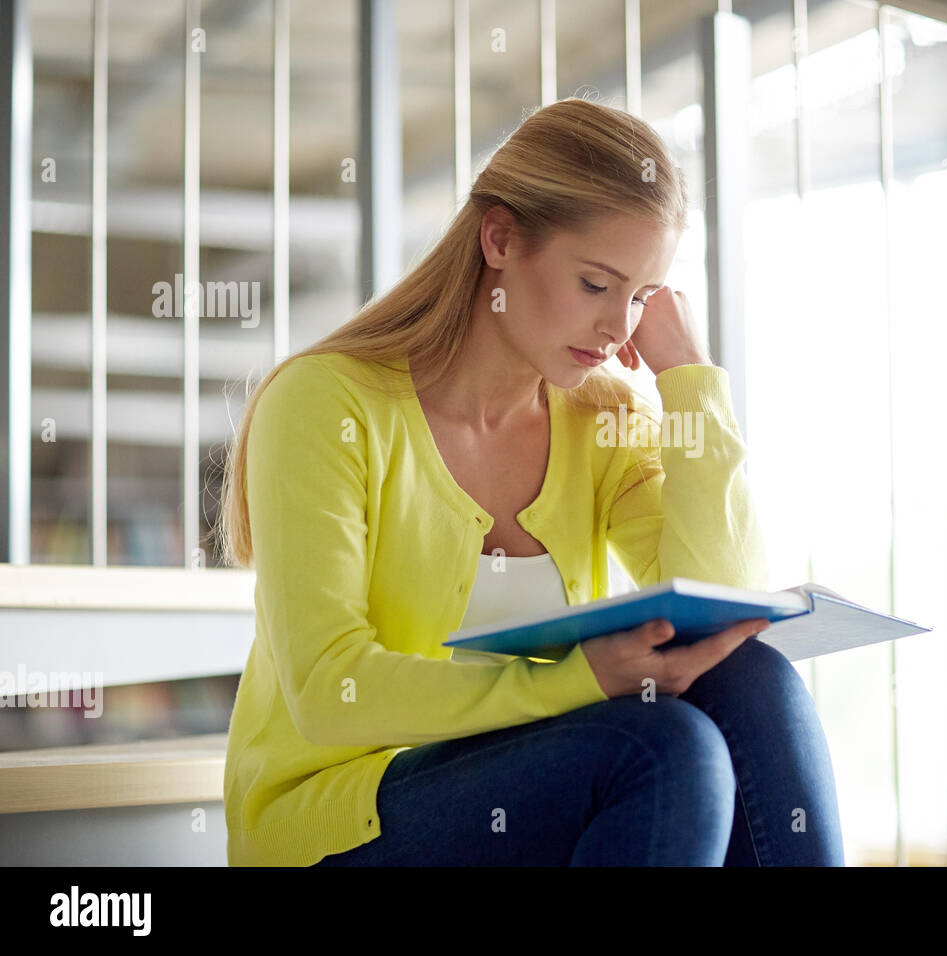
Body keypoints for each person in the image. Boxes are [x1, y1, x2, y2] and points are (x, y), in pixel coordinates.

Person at [217, 97, 844, 866]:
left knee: (752, 677)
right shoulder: (325, 402)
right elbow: (327, 690)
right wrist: (577, 681)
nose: (621, 328)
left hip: (536, 782)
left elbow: (721, 606)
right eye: (596, 284)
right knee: (657, 749)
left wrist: (689, 377)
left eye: (644, 296)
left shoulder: (599, 420)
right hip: (340, 812)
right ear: (501, 238)